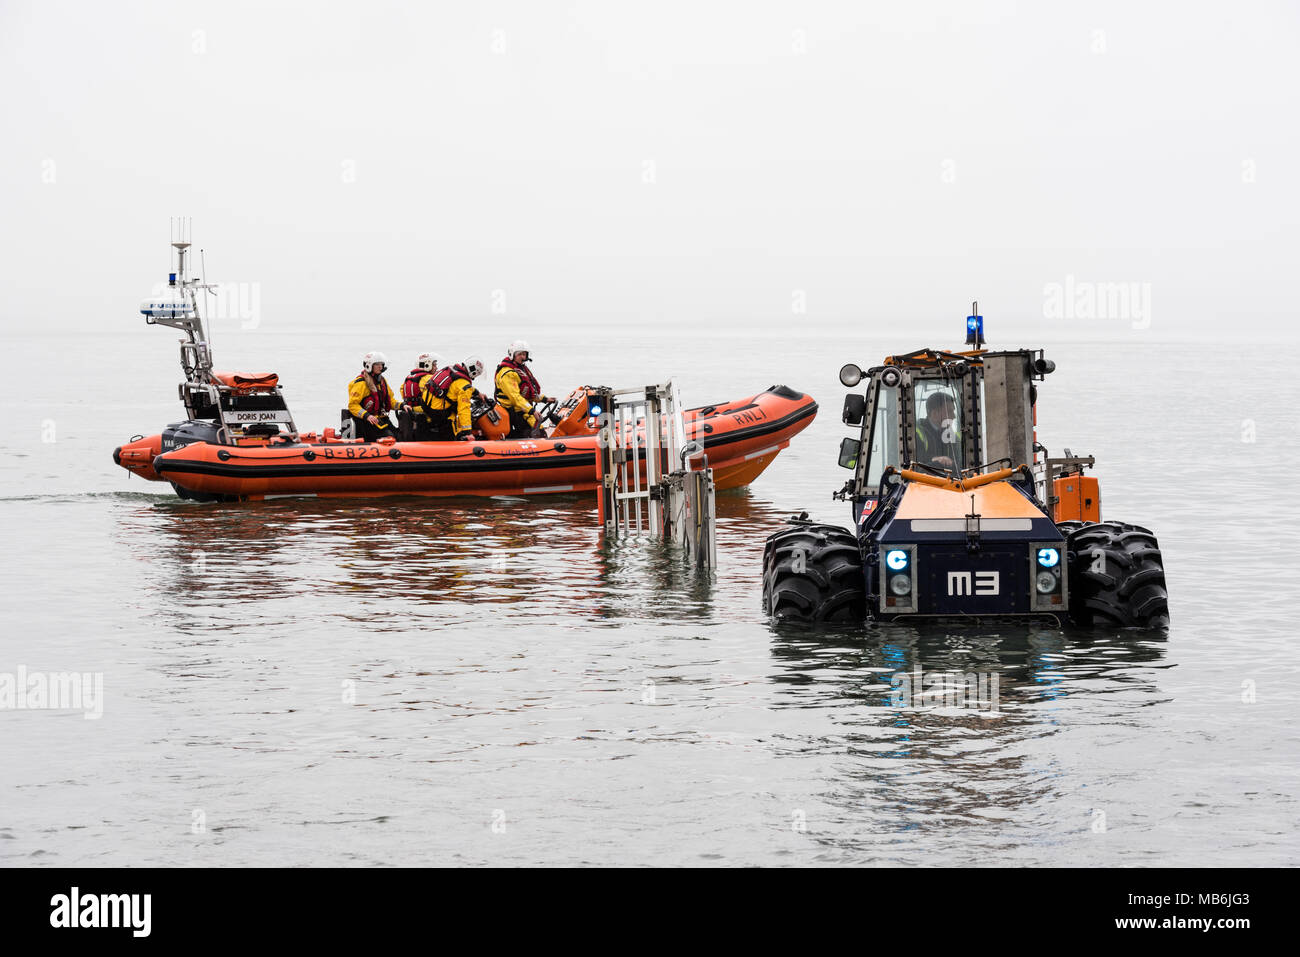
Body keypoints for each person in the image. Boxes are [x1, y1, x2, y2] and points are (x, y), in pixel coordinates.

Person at [495, 339, 553, 439]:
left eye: (524, 354)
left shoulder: (520, 369)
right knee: (537, 434)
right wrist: (531, 410)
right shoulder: (508, 373)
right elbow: (515, 397)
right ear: (512, 355)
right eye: (520, 354)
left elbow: (528, 393)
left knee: (541, 432)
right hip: (515, 412)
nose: (523, 357)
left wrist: (544, 399)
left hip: (523, 410)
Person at [348, 351, 407, 442]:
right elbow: (353, 405)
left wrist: (402, 405)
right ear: (369, 366)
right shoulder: (361, 384)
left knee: (399, 435)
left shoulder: (382, 381)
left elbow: (390, 401)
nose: (380, 367)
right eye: (377, 365)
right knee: (389, 437)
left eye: (382, 364)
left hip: (381, 420)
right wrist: (367, 416)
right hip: (367, 422)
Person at [428, 356, 486, 440]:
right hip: (438, 411)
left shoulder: (452, 370)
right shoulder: (464, 385)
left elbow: (457, 387)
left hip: (427, 404)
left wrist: (477, 393)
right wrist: (468, 432)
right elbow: (463, 409)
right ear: (474, 372)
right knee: (454, 427)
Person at [402, 353, 445, 440]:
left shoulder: (409, 378)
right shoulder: (428, 378)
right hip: (426, 417)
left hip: (411, 414)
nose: (436, 368)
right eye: (434, 365)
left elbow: (403, 393)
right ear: (427, 365)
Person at [914, 390, 961, 471]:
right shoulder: (916, 434)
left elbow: (960, 463)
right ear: (935, 414)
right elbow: (915, 465)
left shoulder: (954, 437)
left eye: (953, 411)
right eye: (950, 412)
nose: (954, 416)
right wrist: (935, 460)